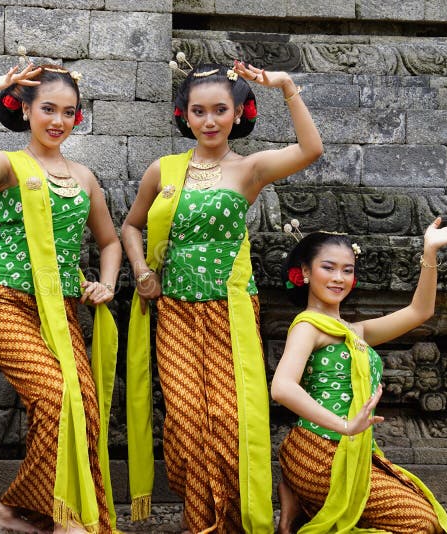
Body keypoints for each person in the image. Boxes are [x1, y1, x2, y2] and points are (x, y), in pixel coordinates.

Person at [120, 57, 323, 533]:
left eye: (219, 110)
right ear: (184, 115)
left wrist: (287, 85)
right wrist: (142, 269)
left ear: (238, 113)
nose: (209, 121)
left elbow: (312, 149)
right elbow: (130, 226)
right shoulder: (164, 169)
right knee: (187, 423)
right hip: (174, 311)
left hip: (229, 310)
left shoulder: (249, 169)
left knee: (231, 424)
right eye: (198, 111)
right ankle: (199, 522)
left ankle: (226, 524)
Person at [0, 62, 121, 533]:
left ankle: (13, 510)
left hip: (61, 308)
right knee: (55, 394)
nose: (58, 120)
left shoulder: (84, 177)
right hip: (4, 300)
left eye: (68, 112)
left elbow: (109, 241)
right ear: (26, 111)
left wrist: (104, 282)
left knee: (82, 402)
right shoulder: (11, 166)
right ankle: (63, 517)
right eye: (48, 108)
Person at [271, 219, 447, 533]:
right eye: (329, 268)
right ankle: (300, 492)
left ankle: (300, 506)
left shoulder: (355, 331)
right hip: (319, 450)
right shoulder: (308, 326)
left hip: (356, 453)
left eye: (348, 270)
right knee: (420, 526)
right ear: (307, 272)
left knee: (431, 522)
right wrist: (345, 425)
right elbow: (282, 388)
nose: (339, 278)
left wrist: (430, 251)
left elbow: (419, 312)